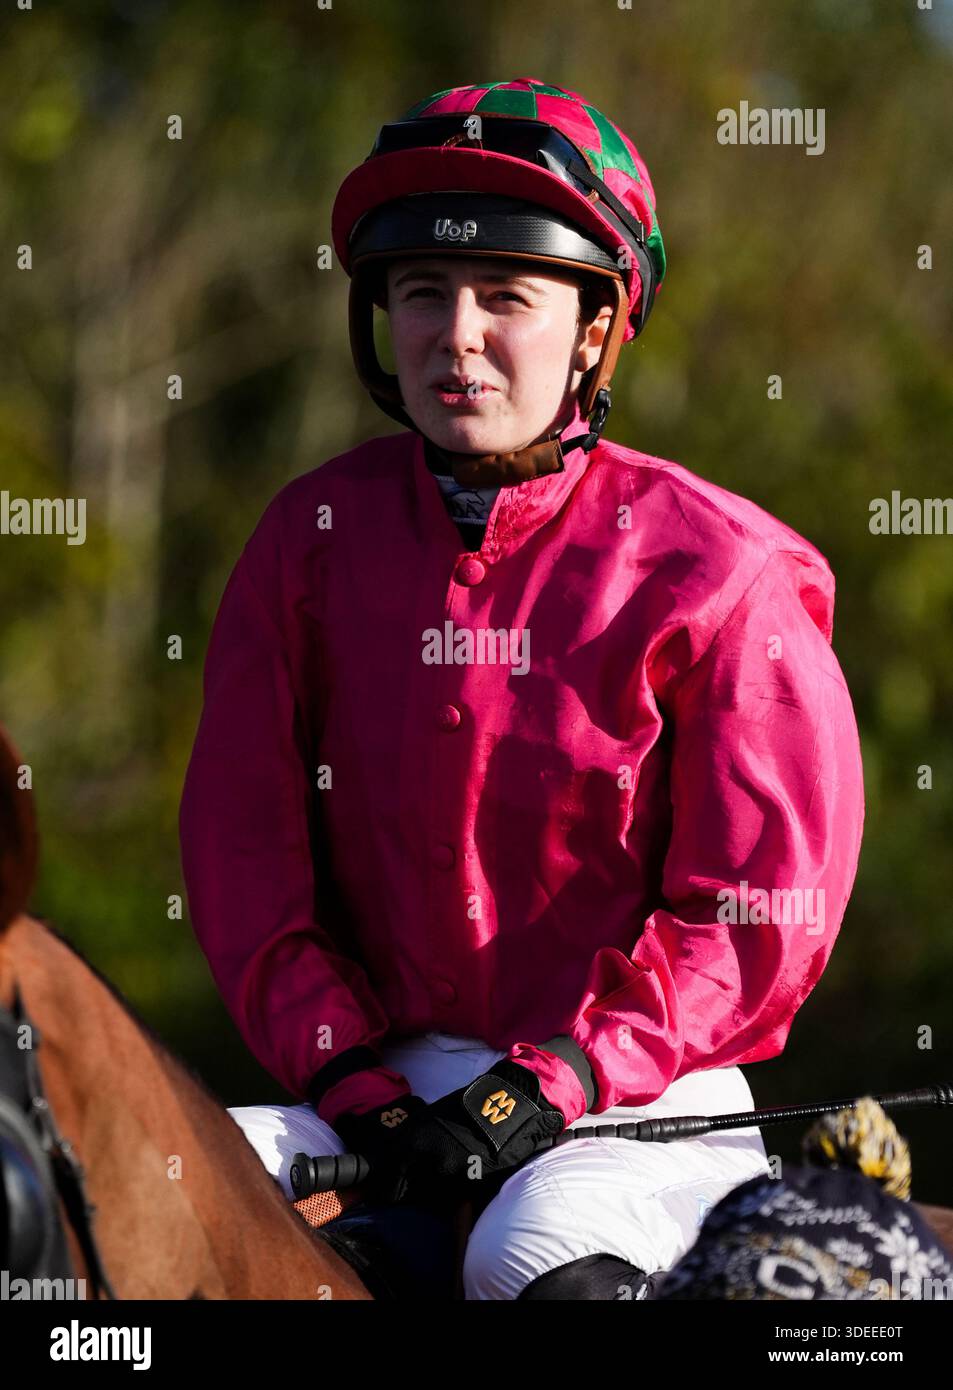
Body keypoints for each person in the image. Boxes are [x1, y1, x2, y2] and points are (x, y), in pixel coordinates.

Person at [178, 77, 866, 1300]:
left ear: (596, 326)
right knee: (129, 1186)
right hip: (375, 1093)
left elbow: (752, 915)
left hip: (640, 1101)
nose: (457, 334)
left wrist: (551, 1080)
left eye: (506, 296)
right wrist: (352, 1084)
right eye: (423, 293)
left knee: (526, 1256)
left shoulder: (728, 570)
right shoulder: (305, 542)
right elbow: (247, 867)